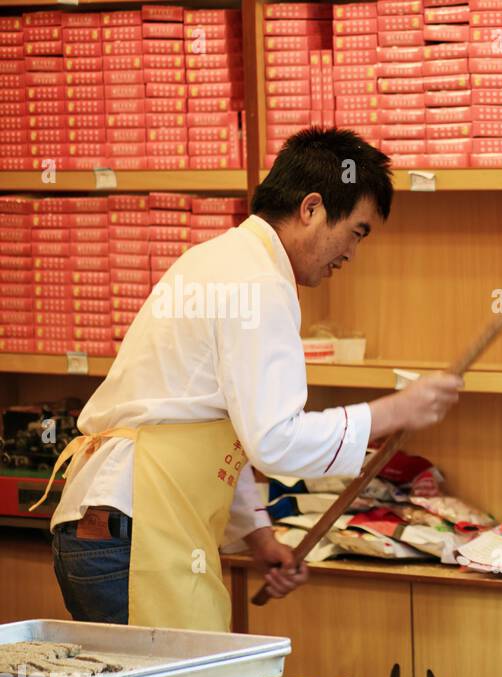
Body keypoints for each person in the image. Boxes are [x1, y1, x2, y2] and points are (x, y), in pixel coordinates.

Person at [38, 127, 463, 632]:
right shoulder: (258, 282)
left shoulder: (220, 259)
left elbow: (220, 430)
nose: (351, 255)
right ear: (312, 208)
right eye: (357, 231)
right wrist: (394, 410)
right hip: (134, 534)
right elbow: (274, 441)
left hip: (113, 527)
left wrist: (260, 539)